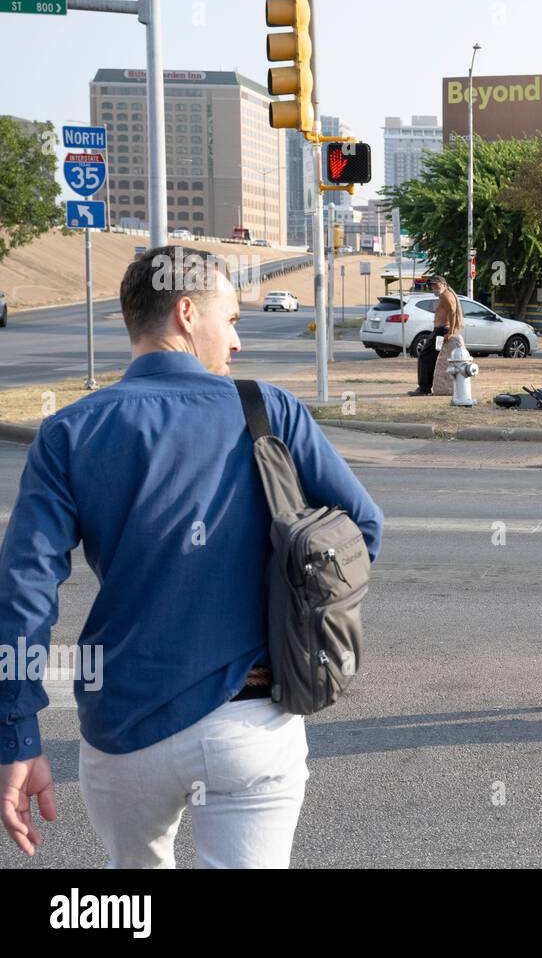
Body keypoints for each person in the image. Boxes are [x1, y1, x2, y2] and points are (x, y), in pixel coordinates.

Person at [0, 246, 383, 867]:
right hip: (251, 723)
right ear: (186, 313)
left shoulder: (68, 431)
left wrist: (16, 736)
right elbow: (360, 528)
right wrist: (293, 603)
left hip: (125, 733)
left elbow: (22, 594)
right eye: (231, 320)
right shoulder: (268, 410)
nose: (236, 342)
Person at [408, 275, 463, 396]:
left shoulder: (446, 295)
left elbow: (452, 313)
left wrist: (450, 332)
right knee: (429, 357)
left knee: (424, 357)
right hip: (441, 329)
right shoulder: (444, 295)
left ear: (443, 284)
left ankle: (424, 388)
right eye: (432, 285)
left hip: (442, 330)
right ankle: (425, 387)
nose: (433, 287)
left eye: (435, 285)